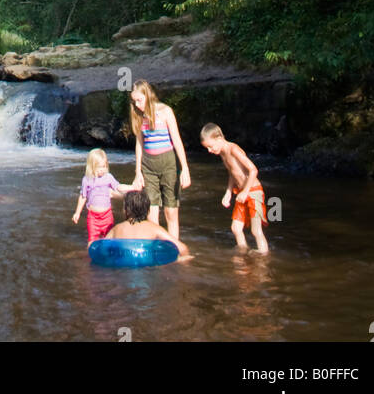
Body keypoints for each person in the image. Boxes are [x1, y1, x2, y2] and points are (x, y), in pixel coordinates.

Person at [129, 79, 191, 243]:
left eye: (139, 100)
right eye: (134, 101)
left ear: (147, 95)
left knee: (171, 210)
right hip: (148, 165)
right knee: (151, 210)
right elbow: (139, 145)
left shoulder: (165, 111)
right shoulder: (139, 116)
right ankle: (156, 245)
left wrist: (185, 168)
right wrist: (137, 173)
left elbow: (176, 140)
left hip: (168, 163)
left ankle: (174, 245)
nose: (137, 104)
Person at [200, 123, 269, 253]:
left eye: (210, 146)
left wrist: (246, 191)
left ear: (219, 139)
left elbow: (253, 170)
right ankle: (243, 253)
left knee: (256, 230)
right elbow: (232, 173)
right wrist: (228, 192)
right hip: (241, 192)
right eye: (207, 148)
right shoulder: (222, 153)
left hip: (253, 191)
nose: (209, 150)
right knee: (236, 228)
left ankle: (263, 256)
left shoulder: (233, 149)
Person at [108, 187, 192, 259]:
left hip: (122, 264)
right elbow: (183, 249)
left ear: (125, 210)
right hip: (146, 264)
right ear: (148, 211)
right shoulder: (153, 228)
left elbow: (100, 247)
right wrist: (178, 260)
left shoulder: (117, 228)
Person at [72, 147, 134, 244]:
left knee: (108, 240)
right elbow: (83, 196)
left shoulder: (108, 177)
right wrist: (77, 213)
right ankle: (91, 257)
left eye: (104, 166)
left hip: (107, 216)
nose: (102, 170)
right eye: (99, 167)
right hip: (93, 217)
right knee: (92, 240)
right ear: (92, 166)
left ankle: (107, 257)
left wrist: (132, 187)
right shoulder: (87, 179)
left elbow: (118, 187)